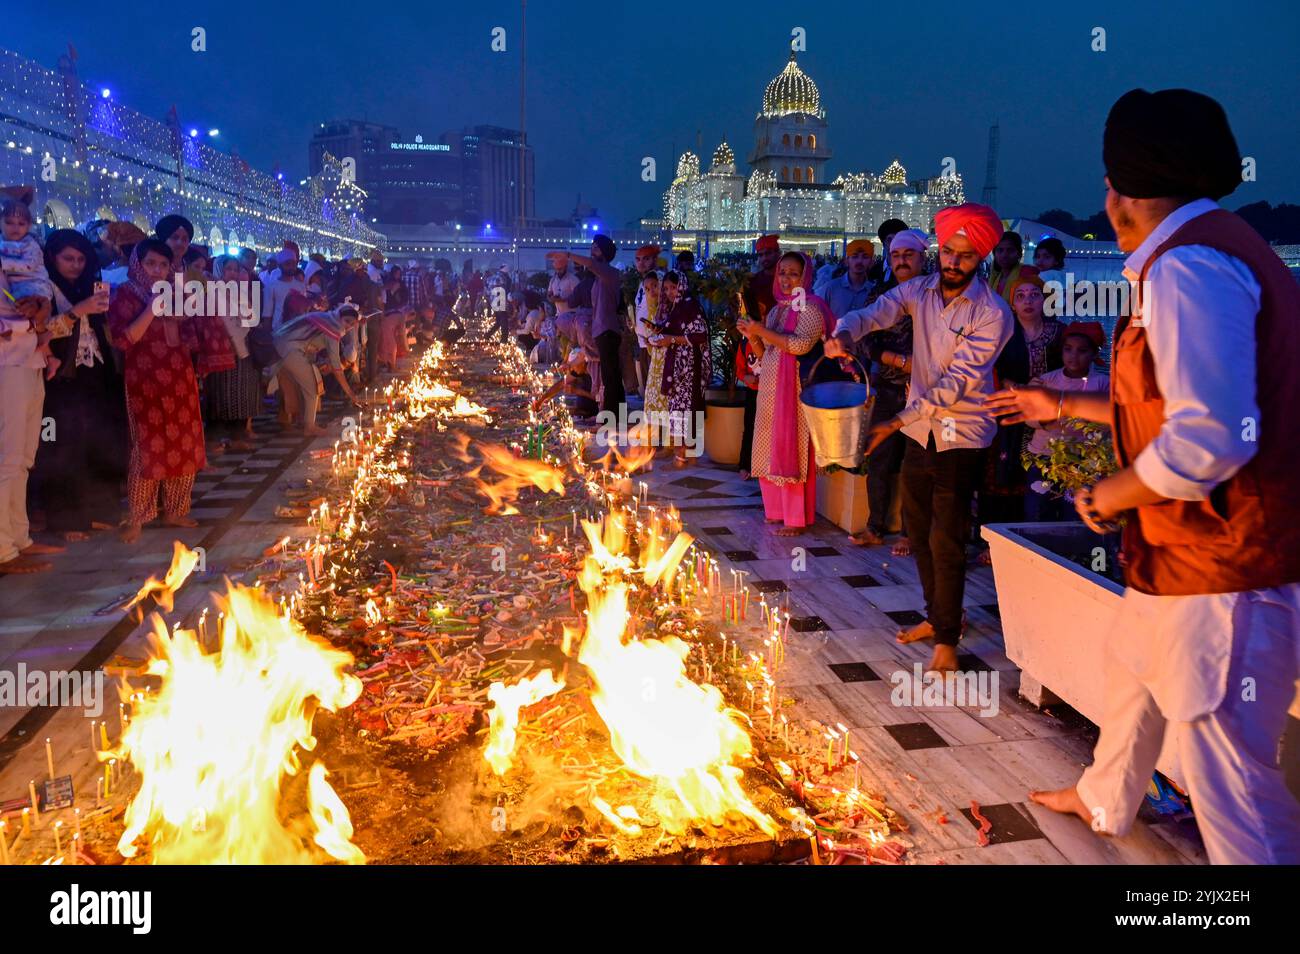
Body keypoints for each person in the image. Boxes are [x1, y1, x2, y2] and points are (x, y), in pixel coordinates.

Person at [986, 88, 1300, 864]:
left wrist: (1109, 491)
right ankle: (1104, 796)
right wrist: (1055, 401)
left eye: (1106, 180)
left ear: (1124, 191)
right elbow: (1162, 406)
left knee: (1227, 777)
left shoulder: (1192, 267)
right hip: (1181, 555)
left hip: (1226, 566)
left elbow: (1209, 436)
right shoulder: (1204, 251)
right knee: (1131, 670)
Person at [827, 202, 1012, 672]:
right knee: (918, 529)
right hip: (917, 429)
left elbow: (956, 382)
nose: (953, 262)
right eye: (948, 252)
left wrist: (896, 419)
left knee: (947, 536)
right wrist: (845, 332)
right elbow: (874, 312)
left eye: (964, 256)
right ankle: (939, 616)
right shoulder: (920, 290)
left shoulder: (993, 314)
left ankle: (947, 638)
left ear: (981, 260)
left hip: (961, 433)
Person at [108, 239, 206, 544]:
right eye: (150, 263)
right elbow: (124, 340)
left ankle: (176, 510)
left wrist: (182, 317)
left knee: (184, 441)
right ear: (138, 264)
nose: (157, 270)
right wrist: (153, 308)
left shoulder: (176, 293)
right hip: (145, 379)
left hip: (179, 376)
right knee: (147, 447)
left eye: (163, 265)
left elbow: (189, 337)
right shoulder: (125, 294)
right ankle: (138, 516)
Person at [31, 229, 127, 541]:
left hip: (94, 371)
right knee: (60, 443)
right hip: (58, 378)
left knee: (96, 439)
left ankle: (96, 510)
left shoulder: (88, 285)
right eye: (67, 258)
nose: (74, 265)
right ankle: (65, 518)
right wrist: (76, 311)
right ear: (53, 258)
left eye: (80, 259)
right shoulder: (41, 289)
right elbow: (40, 332)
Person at [849, 228, 927, 549]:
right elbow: (865, 337)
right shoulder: (881, 295)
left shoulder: (936, 297)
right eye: (896, 255)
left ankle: (910, 532)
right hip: (888, 386)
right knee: (879, 459)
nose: (902, 261)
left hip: (925, 393)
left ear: (923, 258)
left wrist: (917, 366)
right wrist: (895, 359)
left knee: (915, 465)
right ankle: (875, 526)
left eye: (909, 255)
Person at [738, 252, 825, 536]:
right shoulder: (777, 311)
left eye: (793, 274)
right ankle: (775, 511)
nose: (786, 279)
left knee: (792, 450)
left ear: (805, 277)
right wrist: (753, 336)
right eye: (782, 273)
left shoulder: (812, 309)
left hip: (794, 393)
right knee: (767, 448)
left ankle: (796, 519)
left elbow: (799, 346)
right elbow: (766, 353)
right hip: (770, 389)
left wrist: (762, 329)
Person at [976, 271, 1065, 540]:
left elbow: (1072, 369)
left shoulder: (1059, 332)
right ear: (1012, 303)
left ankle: (1035, 538)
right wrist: (1016, 387)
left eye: (1035, 295)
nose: (1028, 301)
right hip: (1009, 410)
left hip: (1047, 415)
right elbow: (990, 369)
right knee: (1002, 470)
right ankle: (992, 538)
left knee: (1041, 475)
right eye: (1021, 296)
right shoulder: (1002, 331)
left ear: (1045, 299)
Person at [0, 260, 60, 573]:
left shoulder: (16, 260)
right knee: (7, 460)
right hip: (6, 364)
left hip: (30, 359)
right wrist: (33, 319)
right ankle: (3, 550)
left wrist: (39, 309)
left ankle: (20, 538)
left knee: (23, 457)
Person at [1022, 321, 1110, 521]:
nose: (1073, 356)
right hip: (1044, 457)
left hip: (1083, 460)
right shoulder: (1047, 380)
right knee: (1037, 513)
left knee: (1076, 515)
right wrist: (1048, 423)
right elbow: (1028, 415)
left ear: (1094, 354)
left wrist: (1060, 419)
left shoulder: (1103, 385)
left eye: (1082, 351)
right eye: (1068, 349)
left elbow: (1106, 423)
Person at [273, 302, 364, 437]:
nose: (348, 326)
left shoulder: (326, 317)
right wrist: (351, 394)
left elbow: (310, 341)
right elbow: (337, 368)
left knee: (302, 385)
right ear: (339, 317)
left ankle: (304, 421)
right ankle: (309, 427)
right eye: (347, 321)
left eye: (352, 324)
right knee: (312, 386)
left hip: (281, 346)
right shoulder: (333, 327)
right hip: (289, 350)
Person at [646, 272, 709, 467]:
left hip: (688, 368)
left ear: (682, 285)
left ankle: (683, 458)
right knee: (678, 409)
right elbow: (673, 332)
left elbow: (700, 336)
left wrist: (670, 339)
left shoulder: (691, 306)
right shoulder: (678, 308)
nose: (670, 292)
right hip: (678, 367)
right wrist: (660, 335)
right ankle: (684, 456)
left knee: (684, 409)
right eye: (666, 289)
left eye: (673, 287)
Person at [205, 255, 262, 453]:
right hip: (221, 348)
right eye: (228, 269)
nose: (233, 273)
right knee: (221, 394)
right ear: (219, 270)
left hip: (242, 347)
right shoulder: (210, 291)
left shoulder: (239, 291)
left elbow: (248, 317)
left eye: (235, 269)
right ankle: (214, 438)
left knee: (241, 393)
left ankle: (237, 436)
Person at [566, 234, 623, 419]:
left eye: (596, 248)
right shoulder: (599, 278)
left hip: (608, 330)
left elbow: (591, 264)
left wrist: (567, 255)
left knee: (610, 377)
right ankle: (615, 417)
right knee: (610, 375)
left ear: (605, 252)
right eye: (591, 247)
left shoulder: (610, 273)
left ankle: (609, 418)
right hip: (601, 330)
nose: (592, 251)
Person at [1, 195, 54, 302]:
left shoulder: (30, 244)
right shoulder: (2, 241)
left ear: (29, 226)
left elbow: (29, 265)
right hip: (14, 286)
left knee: (18, 303)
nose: (15, 227)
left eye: (21, 224)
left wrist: (3, 263)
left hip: (36, 286)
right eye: (9, 222)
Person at [533, 348, 598, 420]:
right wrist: (542, 400)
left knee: (580, 401)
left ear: (582, 363)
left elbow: (600, 398)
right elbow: (561, 384)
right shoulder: (578, 370)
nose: (571, 369)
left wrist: (578, 391)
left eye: (573, 364)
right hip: (587, 405)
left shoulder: (596, 372)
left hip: (601, 410)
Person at [815, 239, 875, 317]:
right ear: (847, 261)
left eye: (865, 257)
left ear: (871, 262)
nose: (859, 261)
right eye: (854, 256)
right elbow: (818, 318)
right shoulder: (831, 288)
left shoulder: (874, 291)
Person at [630, 244, 661, 395]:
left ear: (655, 259)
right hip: (643, 340)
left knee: (655, 386)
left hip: (654, 341)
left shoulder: (658, 279)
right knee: (648, 386)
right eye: (638, 259)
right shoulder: (642, 282)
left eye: (646, 259)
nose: (641, 263)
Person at [988, 230, 1037, 304]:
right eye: (1000, 250)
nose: (1004, 255)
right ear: (994, 254)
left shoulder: (1029, 273)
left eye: (1010, 250)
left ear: (1019, 254)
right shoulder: (994, 277)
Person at [741, 234, 780, 321]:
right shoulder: (753, 280)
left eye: (768, 253)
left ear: (778, 253)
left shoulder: (787, 281)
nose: (764, 258)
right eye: (760, 255)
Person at [867, 218, 909, 285]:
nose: (894, 244)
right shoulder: (873, 271)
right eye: (889, 240)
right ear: (884, 243)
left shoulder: (911, 272)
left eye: (898, 240)